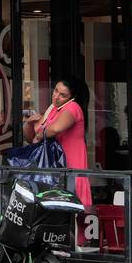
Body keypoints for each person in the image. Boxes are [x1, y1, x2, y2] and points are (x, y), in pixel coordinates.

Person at [24, 77, 92, 207]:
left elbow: (54, 129)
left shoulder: (73, 107)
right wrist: (29, 123)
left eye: (62, 95)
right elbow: (30, 137)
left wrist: (40, 132)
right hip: (53, 170)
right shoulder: (53, 108)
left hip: (70, 169)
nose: (56, 97)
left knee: (70, 210)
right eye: (55, 91)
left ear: (72, 97)